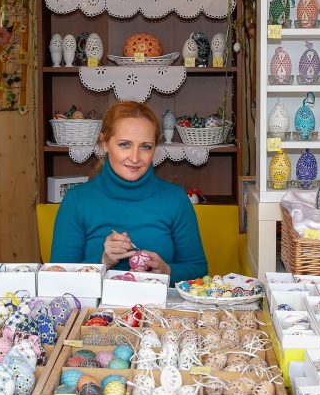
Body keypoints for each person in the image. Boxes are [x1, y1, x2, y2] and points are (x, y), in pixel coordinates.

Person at [50, 101, 208, 285]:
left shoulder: (175, 199)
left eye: (145, 146)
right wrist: (102, 262)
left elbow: (199, 270)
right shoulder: (76, 201)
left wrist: (167, 271)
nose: (134, 158)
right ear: (105, 143)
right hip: (96, 312)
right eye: (125, 144)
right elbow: (57, 279)